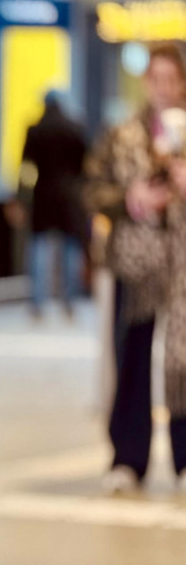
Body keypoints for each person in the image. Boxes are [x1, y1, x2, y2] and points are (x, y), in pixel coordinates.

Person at [86, 43, 186, 495]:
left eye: (172, 79)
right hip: (135, 261)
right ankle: (128, 457)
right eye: (156, 79)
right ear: (146, 82)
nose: (163, 88)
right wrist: (132, 200)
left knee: (181, 361)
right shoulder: (122, 134)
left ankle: (184, 459)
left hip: (181, 265)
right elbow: (91, 189)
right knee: (131, 357)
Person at [19, 93, 89, 318]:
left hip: (43, 196)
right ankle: (69, 301)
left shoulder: (35, 130)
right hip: (69, 197)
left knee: (39, 249)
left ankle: (37, 302)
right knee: (70, 251)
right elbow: (85, 167)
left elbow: (27, 168)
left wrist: (21, 197)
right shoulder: (74, 128)